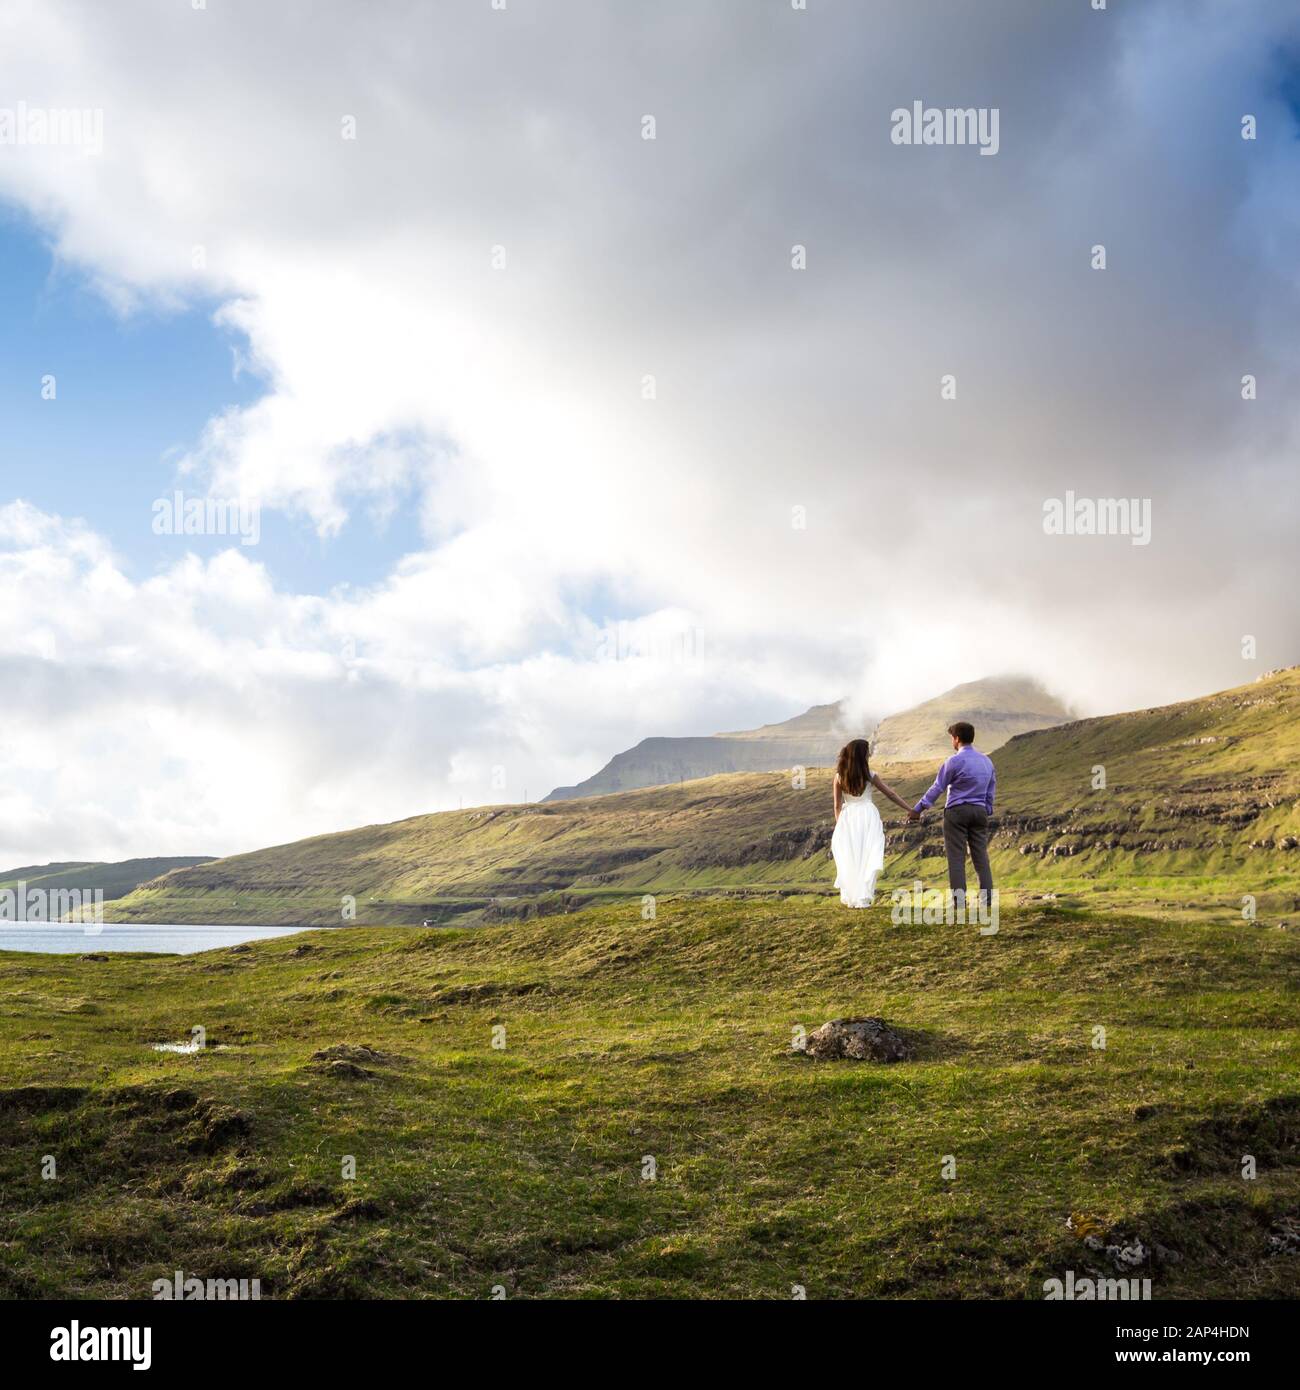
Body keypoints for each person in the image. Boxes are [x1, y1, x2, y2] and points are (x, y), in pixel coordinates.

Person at [908, 721, 995, 907]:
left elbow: (937, 787)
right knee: (981, 857)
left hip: (957, 812)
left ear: (957, 739)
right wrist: (986, 809)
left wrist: (918, 809)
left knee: (956, 858)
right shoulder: (987, 761)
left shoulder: (954, 761)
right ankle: (987, 901)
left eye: (952, 738)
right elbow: (990, 790)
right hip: (979, 812)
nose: (952, 742)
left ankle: (960, 902)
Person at [831, 738, 914, 908]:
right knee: (868, 854)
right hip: (868, 815)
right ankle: (864, 896)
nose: (869, 754)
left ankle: (852, 897)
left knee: (850, 857)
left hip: (848, 819)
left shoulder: (839, 777)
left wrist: (841, 825)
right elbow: (890, 794)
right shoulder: (870, 775)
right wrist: (909, 809)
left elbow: (837, 805)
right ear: (862, 755)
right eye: (867, 751)